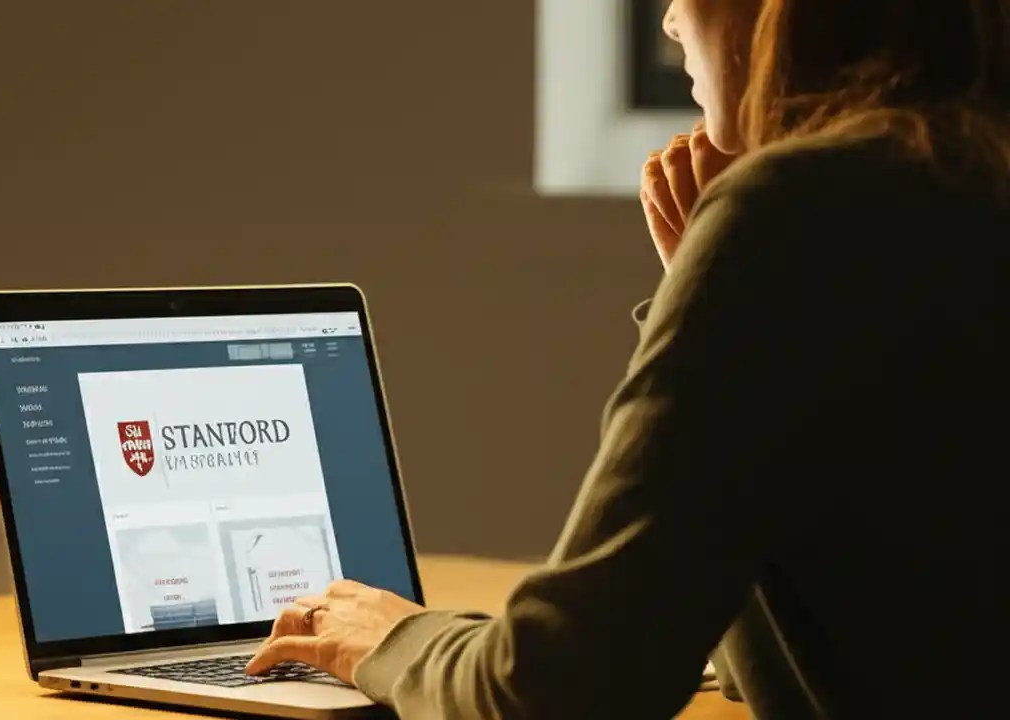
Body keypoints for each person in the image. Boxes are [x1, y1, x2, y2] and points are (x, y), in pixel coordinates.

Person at [247, 0, 1010, 716]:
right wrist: (713, 304)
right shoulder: (961, 182)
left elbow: (563, 687)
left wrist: (393, 640)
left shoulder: (799, 210)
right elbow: (781, 653)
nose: (673, 20)